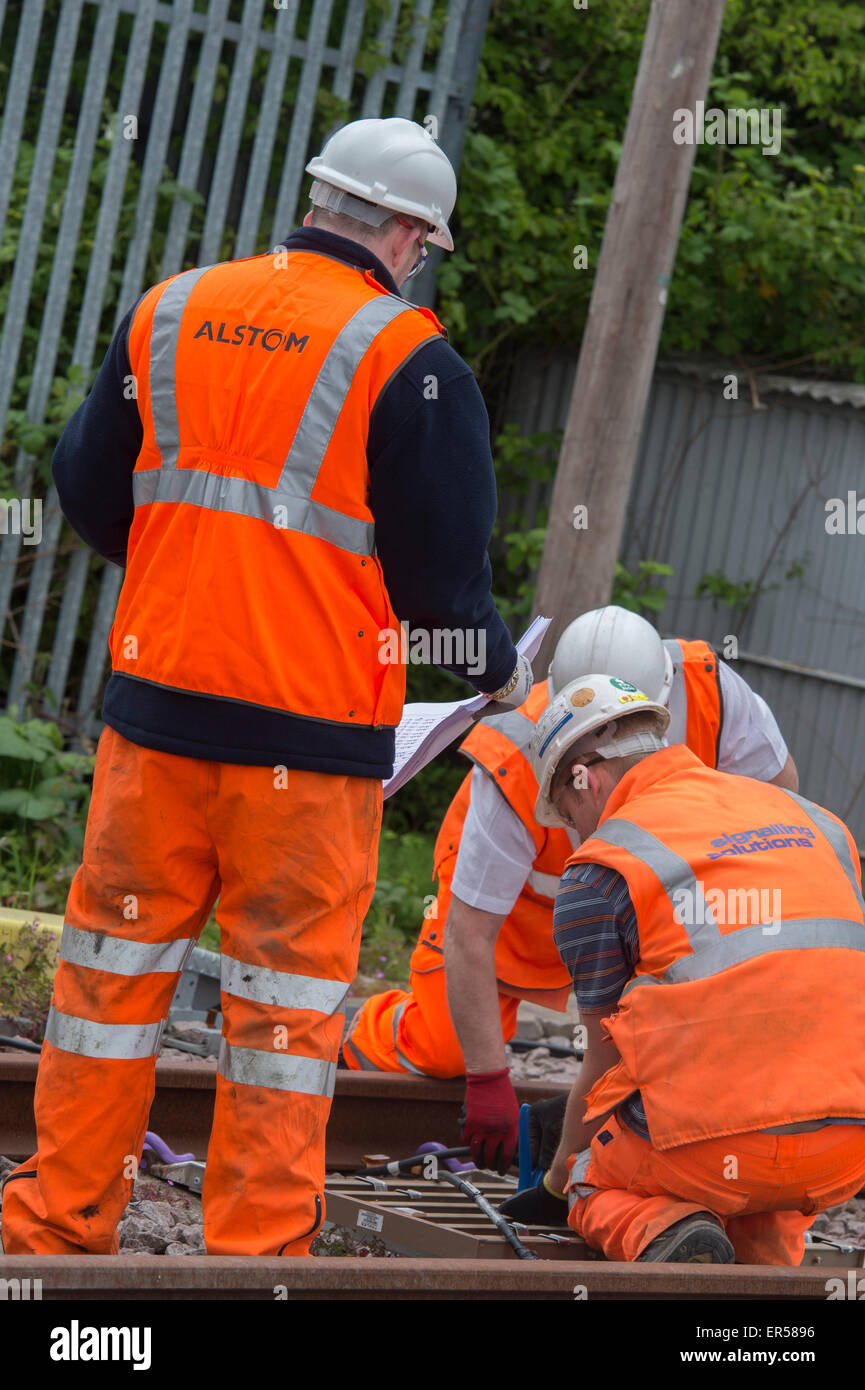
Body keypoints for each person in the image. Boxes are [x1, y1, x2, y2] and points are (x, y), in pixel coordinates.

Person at [1, 117, 531, 1257]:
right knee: (282, 1022)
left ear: (315, 201)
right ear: (404, 233)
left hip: (152, 731)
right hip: (308, 755)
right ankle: (252, 1265)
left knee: (106, 985)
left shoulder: (171, 308)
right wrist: (503, 673)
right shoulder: (412, 362)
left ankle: (49, 1234)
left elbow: (94, 494)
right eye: (423, 247)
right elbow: (442, 590)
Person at [342, 606, 798, 1174]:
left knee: (656, 1049)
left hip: (651, 902)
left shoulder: (715, 697)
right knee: (444, 1047)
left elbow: (780, 807)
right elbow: (469, 935)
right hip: (520, 914)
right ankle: (361, 1028)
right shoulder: (512, 760)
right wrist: (486, 1077)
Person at [498, 675, 865, 1264]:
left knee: (591, 1175)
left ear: (583, 778)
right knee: (756, 1194)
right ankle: (759, 1276)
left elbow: (604, 1058)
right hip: (845, 1148)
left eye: (568, 813)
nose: (576, 832)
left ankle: (665, 1228)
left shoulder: (602, 868)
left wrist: (559, 1176)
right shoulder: (819, 823)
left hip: (710, 1152)